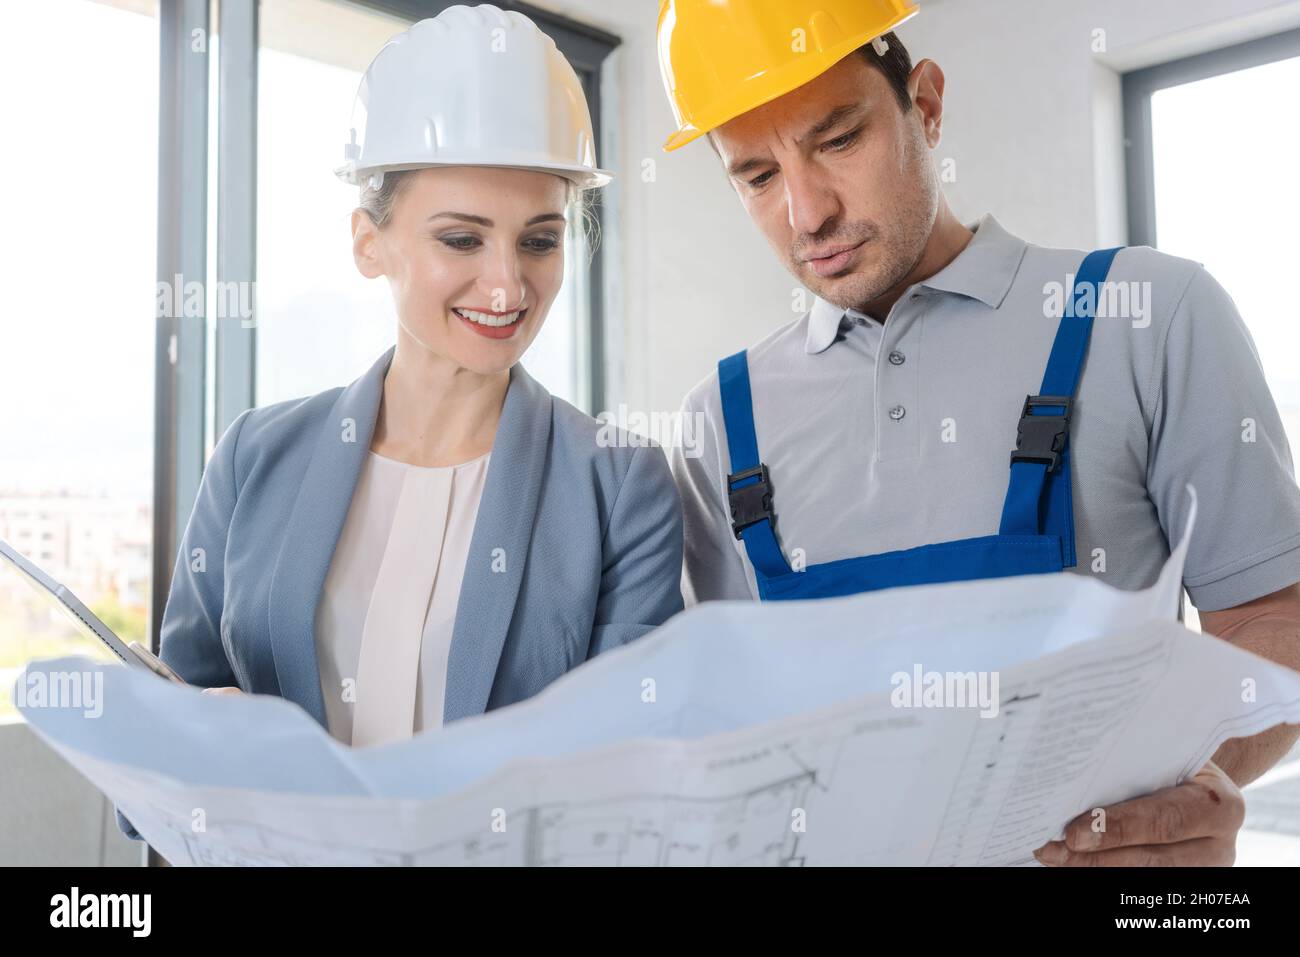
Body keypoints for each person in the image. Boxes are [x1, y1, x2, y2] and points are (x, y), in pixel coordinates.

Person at [657, 0, 1300, 865]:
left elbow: (1273, 619)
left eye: (838, 139)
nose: (806, 214)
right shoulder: (715, 425)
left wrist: (1184, 799)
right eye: (757, 176)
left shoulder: (1148, 318)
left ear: (924, 105)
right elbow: (737, 733)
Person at [118, 4, 683, 840]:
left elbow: (637, 793)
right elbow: (151, 777)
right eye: (461, 239)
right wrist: (198, 743)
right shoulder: (253, 458)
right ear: (368, 243)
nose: (506, 288)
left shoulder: (619, 485)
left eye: (538, 241)